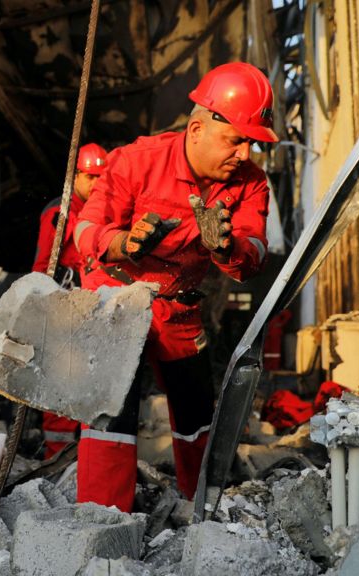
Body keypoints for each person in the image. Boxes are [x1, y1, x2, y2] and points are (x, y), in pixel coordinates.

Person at [73, 62, 278, 511]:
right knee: (112, 412)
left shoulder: (251, 184)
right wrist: (124, 244)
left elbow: (256, 255)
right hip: (118, 298)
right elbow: (84, 232)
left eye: (251, 143)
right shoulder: (136, 161)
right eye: (237, 140)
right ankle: (103, 520)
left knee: (197, 414)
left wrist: (227, 247)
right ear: (199, 127)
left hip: (179, 309)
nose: (245, 154)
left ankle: (201, 505)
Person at [32, 143, 107, 459]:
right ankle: (56, 453)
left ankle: (77, 451)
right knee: (60, 385)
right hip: (62, 309)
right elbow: (42, 265)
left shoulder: (93, 211)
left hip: (85, 309)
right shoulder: (59, 213)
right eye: (90, 177)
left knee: (81, 383)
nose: (95, 184)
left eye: (99, 178)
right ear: (75, 175)